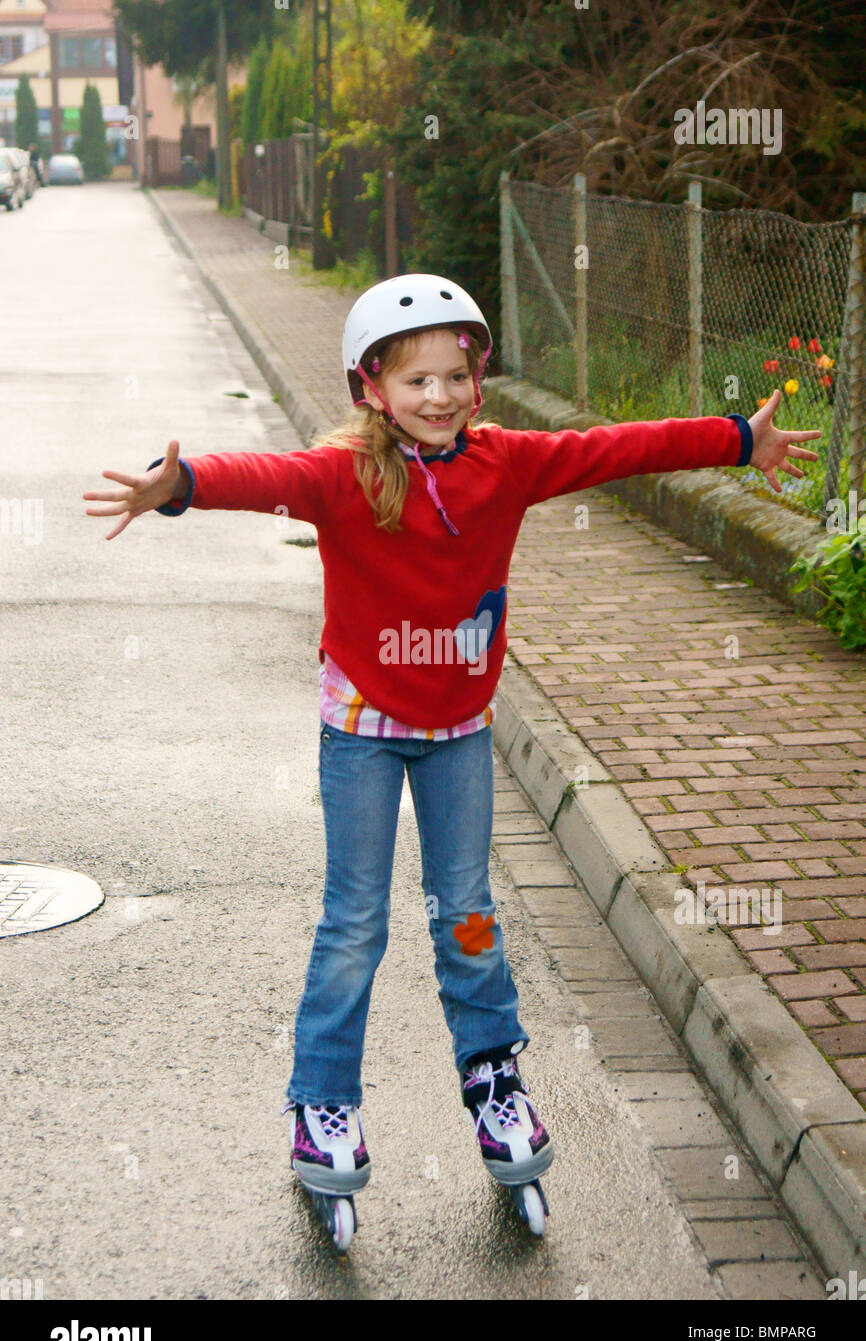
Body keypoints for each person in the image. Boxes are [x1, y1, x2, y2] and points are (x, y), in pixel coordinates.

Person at [82, 273, 820, 1224]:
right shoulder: (342, 474)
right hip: (362, 732)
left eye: (454, 376)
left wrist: (735, 438)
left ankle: (493, 1078)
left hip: (458, 732)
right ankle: (324, 1104)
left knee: (466, 914)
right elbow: (260, 478)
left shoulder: (505, 463)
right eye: (414, 381)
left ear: (478, 378)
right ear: (371, 390)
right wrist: (176, 484)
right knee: (355, 923)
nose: (438, 397)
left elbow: (610, 448)